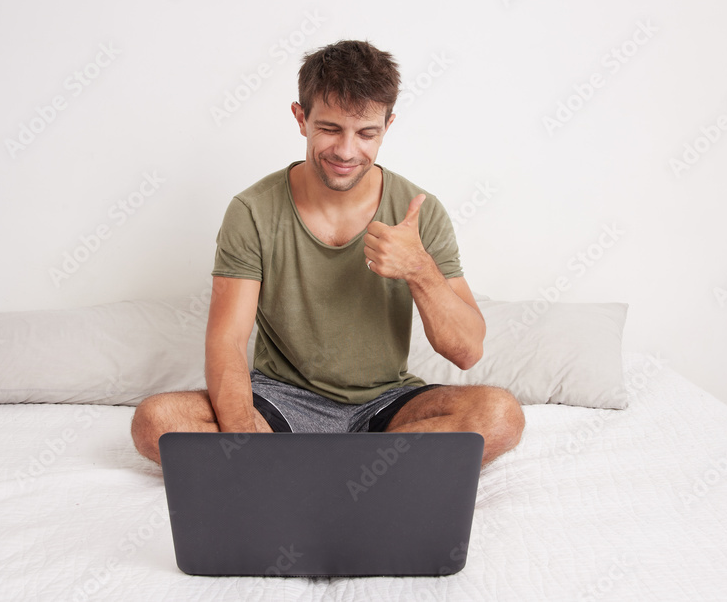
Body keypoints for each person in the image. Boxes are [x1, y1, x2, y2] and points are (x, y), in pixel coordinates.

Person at [132, 40, 524, 466]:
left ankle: (319, 468)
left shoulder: (418, 213)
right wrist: (247, 440)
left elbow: (466, 352)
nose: (346, 151)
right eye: (331, 128)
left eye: (366, 133)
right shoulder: (252, 211)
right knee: (156, 422)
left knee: (500, 415)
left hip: (384, 404)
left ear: (387, 126)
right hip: (279, 403)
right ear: (301, 118)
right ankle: (356, 470)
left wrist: (419, 269)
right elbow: (227, 340)